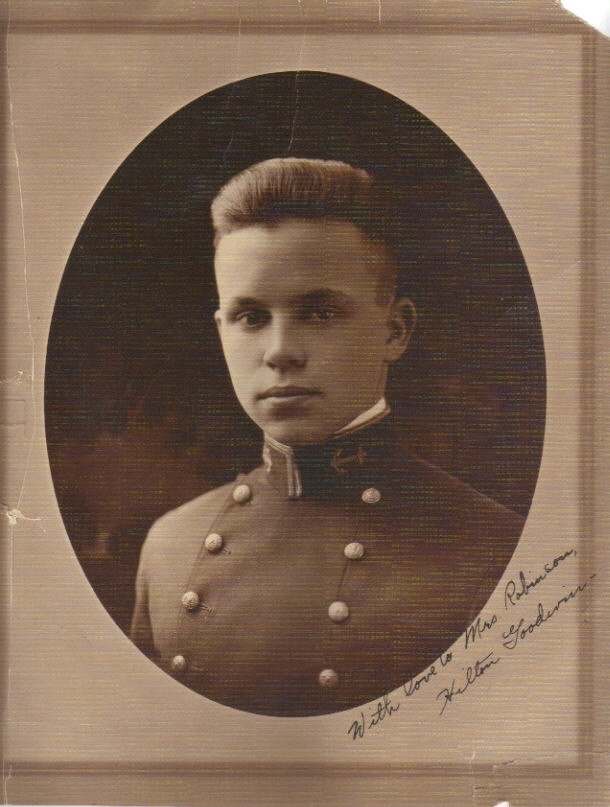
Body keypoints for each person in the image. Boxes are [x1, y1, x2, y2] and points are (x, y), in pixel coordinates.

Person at [130, 157, 524, 716]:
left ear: (395, 329)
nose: (279, 351)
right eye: (249, 316)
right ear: (220, 331)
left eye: (318, 311)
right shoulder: (171, 544)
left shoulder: (495, 554)